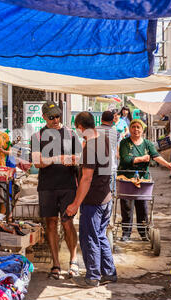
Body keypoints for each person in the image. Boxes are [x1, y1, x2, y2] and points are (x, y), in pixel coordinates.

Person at [31, 101, 82, 280]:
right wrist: (58, 158)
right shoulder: (37, 136)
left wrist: (73, 159)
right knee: (51, 223)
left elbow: (79, 157)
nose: (55, 119)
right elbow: (37, 162)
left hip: (68, 185)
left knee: (68, 222)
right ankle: (55, 263)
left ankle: (73, 260)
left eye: (58, 116)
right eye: (51, 117)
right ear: (44, 117)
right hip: (47, 186)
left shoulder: (70, 134)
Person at [66, 111, 117, 288]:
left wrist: (75, 204)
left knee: (89, 238)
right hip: (105, 197)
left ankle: (93, 276)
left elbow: (86, 179)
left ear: (80, 127)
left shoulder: (91, 146)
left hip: (93, 200)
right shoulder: (102, 138)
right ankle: (109, 273)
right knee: (100, 236)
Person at [117, 119, 171, 241]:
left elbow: (156, 156)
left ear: (142, 130)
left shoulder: (148, 144)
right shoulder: (124, 143)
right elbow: (125, 159)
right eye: (133, 127)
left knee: (142, 206)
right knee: (127, 206)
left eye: (138, 127)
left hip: (143, 179)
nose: (135, 129)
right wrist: (141, 159)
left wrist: (167, 164)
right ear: (130, 129)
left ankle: (143, 233)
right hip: (126, 178)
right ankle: (126, 233)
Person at [96, 110, 120, 194]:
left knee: (97, 191)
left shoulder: (94, 131)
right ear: (112, 120)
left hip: (96, 166)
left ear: (101, 119)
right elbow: (116, 150)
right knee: (109, 192)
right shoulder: (116, 133)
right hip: (110, 166)